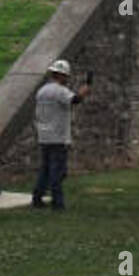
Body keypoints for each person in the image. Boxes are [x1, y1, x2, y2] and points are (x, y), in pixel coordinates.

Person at [31, 59, 89, 212]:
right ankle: (57, 203)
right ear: (62, 75)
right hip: (58, 136)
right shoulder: (60, 91)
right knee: (58, 171)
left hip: (44, 136)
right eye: (66, 76)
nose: (67, 79)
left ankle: (37, 198)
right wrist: (86, 89)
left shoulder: (41, 91)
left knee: (45, 169)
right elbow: (75, 100)